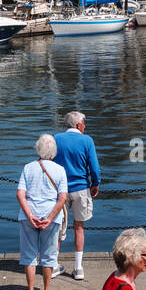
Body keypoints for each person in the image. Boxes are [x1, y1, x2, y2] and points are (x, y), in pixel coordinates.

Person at [16, 134, 69, 290]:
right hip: (51, 218)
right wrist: (50, 217)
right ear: (54, 152)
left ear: (37, 149)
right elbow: (62, 198)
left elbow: (20, 194)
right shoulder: (60, 170)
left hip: (28, 217)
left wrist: (30, 214)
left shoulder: (28, 168)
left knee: (29, 255)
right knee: (49, 255)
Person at [53, 111, 101, 280]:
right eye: (84, 123)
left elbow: (49, 163)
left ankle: (53, 265)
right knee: (79, 227)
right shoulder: (87, 140)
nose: (85, 126)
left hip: (61, 190)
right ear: (78, 125)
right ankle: (78, 267)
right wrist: (95, 184)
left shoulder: (56, 139)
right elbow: (94, 167)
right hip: (81, 188)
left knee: (58, 226)